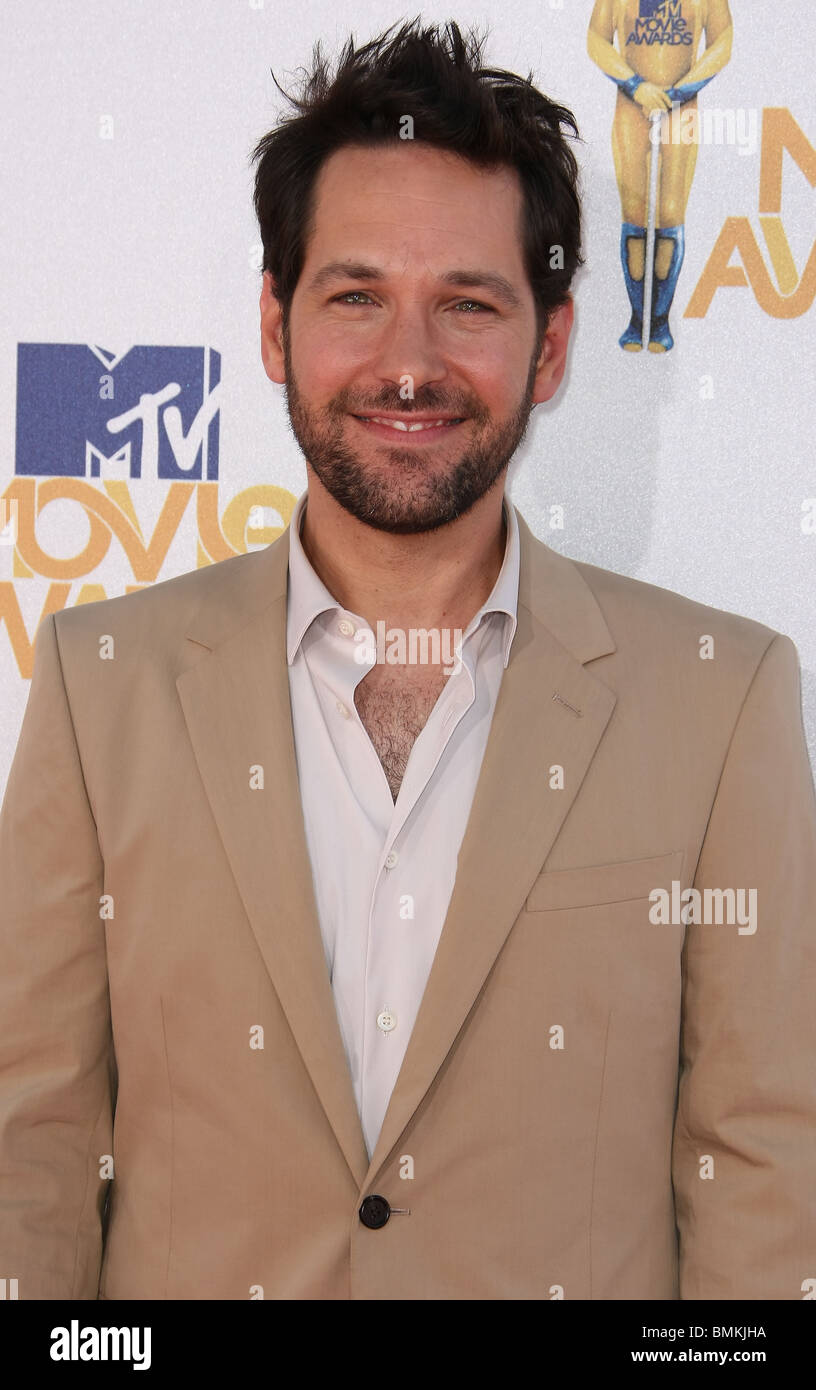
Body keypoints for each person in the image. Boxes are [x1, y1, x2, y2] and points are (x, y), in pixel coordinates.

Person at [1, 17, 814, 1301]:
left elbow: (762, 1157)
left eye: (469, 305)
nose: (409, 364)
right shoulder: (102, 684)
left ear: (549, 347)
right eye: (357, 295)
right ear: (275, 328)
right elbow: (30, 1139)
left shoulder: (720, 698)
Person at [587, 0, 733, 350]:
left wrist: (682, 89)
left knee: (670, 212)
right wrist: (636, 85)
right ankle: (639, 318)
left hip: (682, 111)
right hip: (631, 109)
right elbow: (597, 38)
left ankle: (660, 320)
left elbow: (723, 41)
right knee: (635, 212)